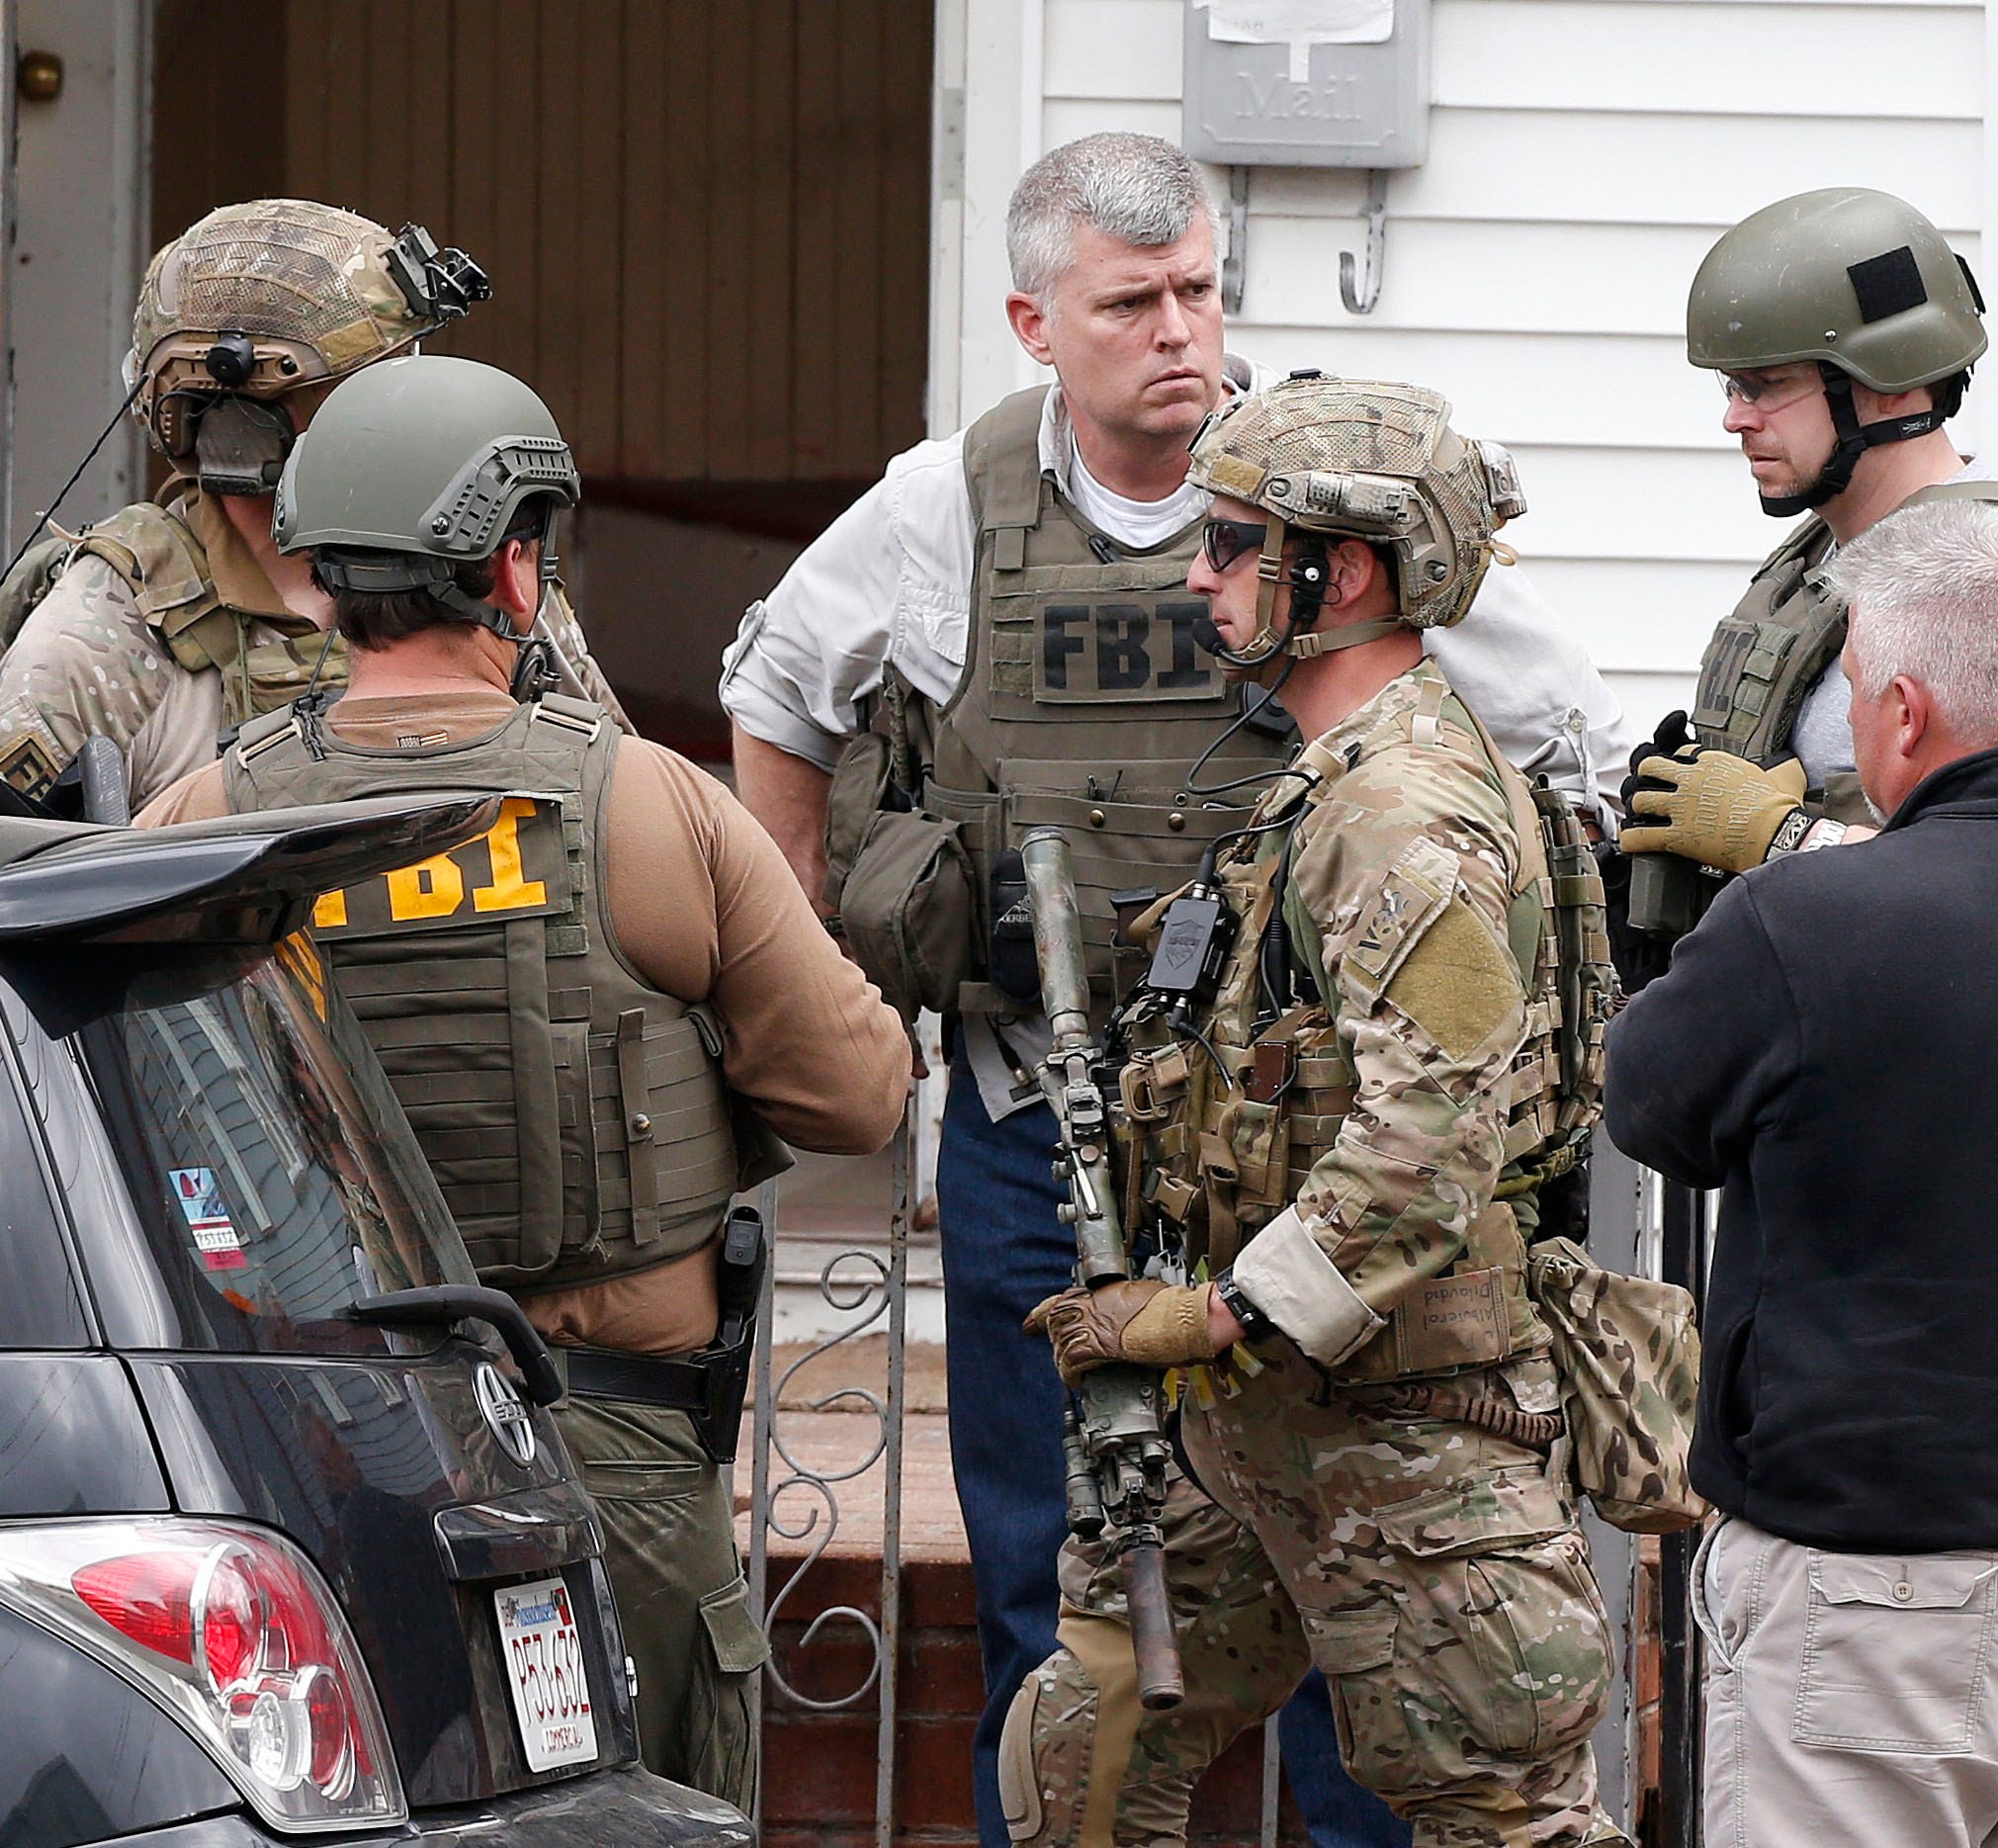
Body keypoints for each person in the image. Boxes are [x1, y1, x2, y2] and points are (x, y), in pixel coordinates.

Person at [717, 130, 1632, 1848]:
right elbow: (778, 691)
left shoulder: (1324, 502)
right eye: (1130, 300)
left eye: (1200, 290)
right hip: (1031, 1135)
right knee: (1058, 1599)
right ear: (1031, 319)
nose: (1179, 332)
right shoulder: (948, 503)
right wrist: (819, 1006)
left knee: (1367, 1615)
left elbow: (1563, 735)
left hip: (1309, 1169)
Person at [133, 354, 911, 1812]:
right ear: (513, 557)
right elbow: (859, 1098)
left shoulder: (204, 819)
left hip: (322, 1480)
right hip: (606, 1454)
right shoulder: (650, 805)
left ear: (317, 576)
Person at [1027, 373, 1621, 1846]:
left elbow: (1430, 1149)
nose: (1195, 573)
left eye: (1230, 543)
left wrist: (1210, 1316)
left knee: (1498, 1805)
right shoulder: (1333, 784)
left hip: (1398, 1422)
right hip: (1256, 1419)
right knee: (1086, 1754)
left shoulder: (1401, 812)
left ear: (1339, 574)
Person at [1607, 498, 1998, 1847]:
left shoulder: (1804, 923)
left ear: (1902, 713)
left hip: (1875, 1594)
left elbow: (1650, 1106)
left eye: (1854, 693)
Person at [0, 198, 622, 815]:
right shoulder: (99, 637)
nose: (410, 405)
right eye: (367, 385)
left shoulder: (473, 558)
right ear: (233, 424)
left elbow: (614, 785)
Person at [1618, 188, 1998, 919]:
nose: (1733, 418)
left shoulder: (1995, 584)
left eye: (1768, 385)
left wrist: (1784, 839)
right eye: (1732, 385)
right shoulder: (1814, 556)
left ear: (1891, 386)